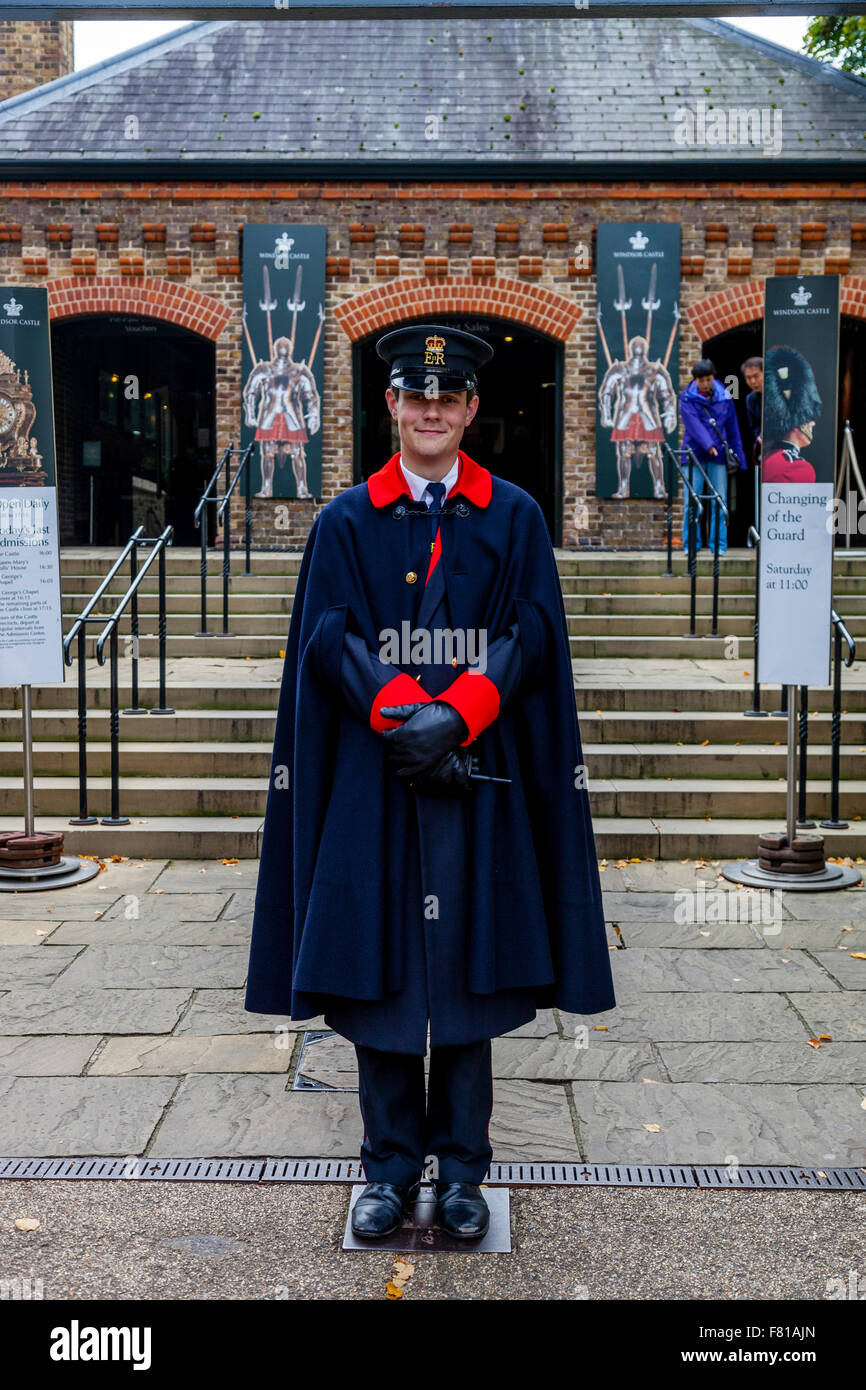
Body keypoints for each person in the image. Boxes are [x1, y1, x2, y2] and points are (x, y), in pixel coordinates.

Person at [244, 323, 615, 1241]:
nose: (433, 410)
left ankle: (462, 1173)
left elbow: (531, 633)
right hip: (376, 784)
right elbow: (332, 637)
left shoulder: (515, 516)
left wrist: (462, 714)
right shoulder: (345, 520)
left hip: (478, 778)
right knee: (377, 976)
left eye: (448, 400)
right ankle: (387, 1168)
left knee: (466, 974)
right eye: (418, 398)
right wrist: (411, 717)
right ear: (392, 407)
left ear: (472, 409)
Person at [679, 358, 747, 554]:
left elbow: (732, 428)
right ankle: (692, 544)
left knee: (719, 501)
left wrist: (739, 456)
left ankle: (718, 545)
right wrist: (708, 445)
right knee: (692, 501)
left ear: (713, 377)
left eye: (708, 379)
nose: (705, 384)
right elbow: (693, 425)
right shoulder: (687, 398)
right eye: (701, 381)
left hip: (718, 457)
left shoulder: (725, 397)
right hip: (694, 456)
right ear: (695, 381)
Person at [760, 345, 820, 484]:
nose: (812, 423)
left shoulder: (767, 460)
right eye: (808, 418)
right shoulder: (799, 468)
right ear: (795, 423)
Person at [741, 356, 764, 464]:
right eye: (748, 378)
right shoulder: (750, 399)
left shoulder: (779, 393)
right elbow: (754, 425)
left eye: (756, 376)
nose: (753, 381)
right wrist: (759, 436)